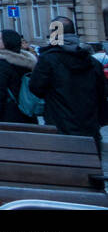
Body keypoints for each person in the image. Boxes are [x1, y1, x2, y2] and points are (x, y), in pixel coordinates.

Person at [29, 16, 108, 154]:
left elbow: (35, 87)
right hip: (89, 127)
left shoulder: (48, 60)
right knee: (91, 169)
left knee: (64, 167)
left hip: (59, 125)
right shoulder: (92, 62)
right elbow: (103, 93)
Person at [0, 29, 38, 124]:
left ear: (7, 42)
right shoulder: (28, 62)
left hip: (10, 114)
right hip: (28, 111)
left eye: (0, 39)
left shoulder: (3, 63)